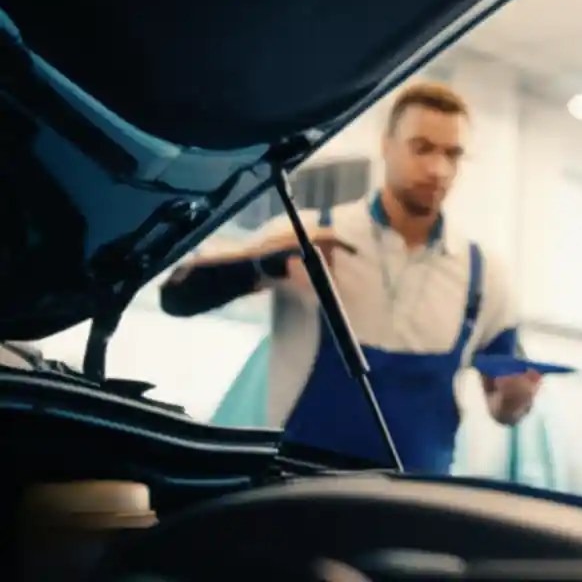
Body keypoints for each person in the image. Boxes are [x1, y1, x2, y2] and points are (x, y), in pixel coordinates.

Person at [160, 81, 542, 475]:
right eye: (422, 147)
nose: (437, 169)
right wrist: (262, 261)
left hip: (416, 502)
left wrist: (515, 400)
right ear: (386, 144)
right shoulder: (307, 233)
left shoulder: (485, 276)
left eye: (453, 153)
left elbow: (505, 409)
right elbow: (176, 298)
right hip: (297, 488)